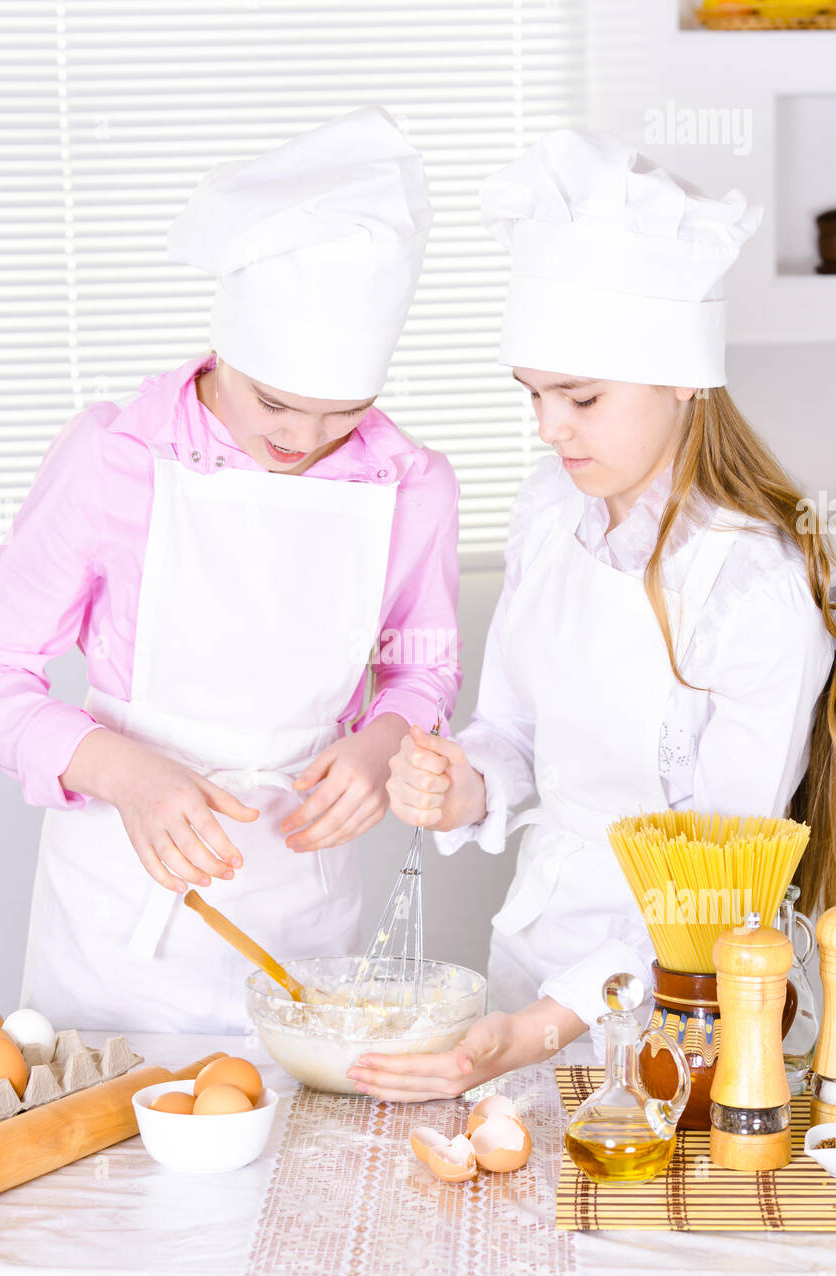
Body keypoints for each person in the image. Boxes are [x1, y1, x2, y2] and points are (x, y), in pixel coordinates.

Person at [347, 129, 836, 1102]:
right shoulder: (550, 511)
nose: (547, 428)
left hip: (694, 1006)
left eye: (578, 397)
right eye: (532, 394)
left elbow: (717, 881)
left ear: (681, 378)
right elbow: (513, 731)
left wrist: (546, 1023)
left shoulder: (757, 588)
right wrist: (464, 783)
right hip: (531, 960)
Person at [0, 107, 461, 1032]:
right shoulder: (116, 457)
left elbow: (420, 669)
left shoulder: (411, 484)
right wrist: (123, 773)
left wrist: (381, 743)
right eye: (275, 403)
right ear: (227, 346)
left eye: (343, 414)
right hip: (119, 911)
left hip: (300, 903)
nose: (302, 439)